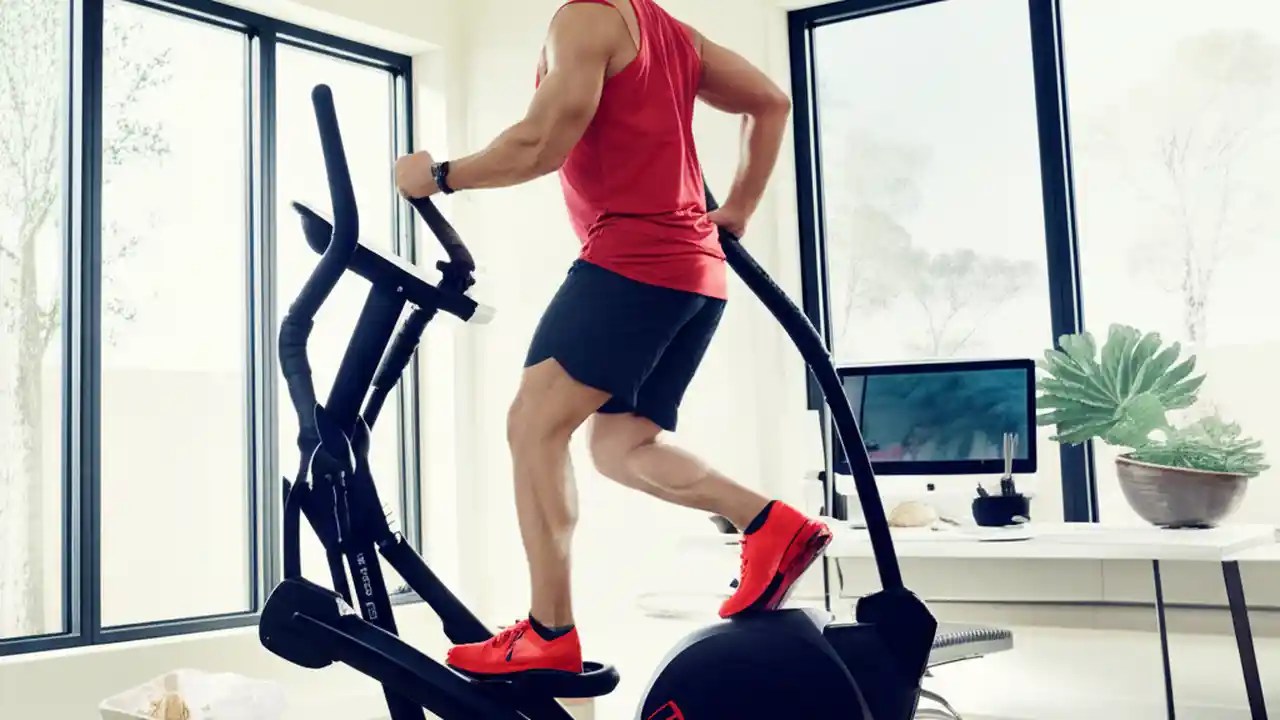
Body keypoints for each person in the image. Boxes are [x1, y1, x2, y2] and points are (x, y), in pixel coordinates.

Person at [394, 0, 830, 679]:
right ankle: (771, 524)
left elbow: (540, 145)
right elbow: (770, 102)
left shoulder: (586, 20)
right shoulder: (672, 34)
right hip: (695, 274)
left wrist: (438, 176)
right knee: (620, 448)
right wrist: (738, 209)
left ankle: (548, 632)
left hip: (632, 259)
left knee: (533, 425)